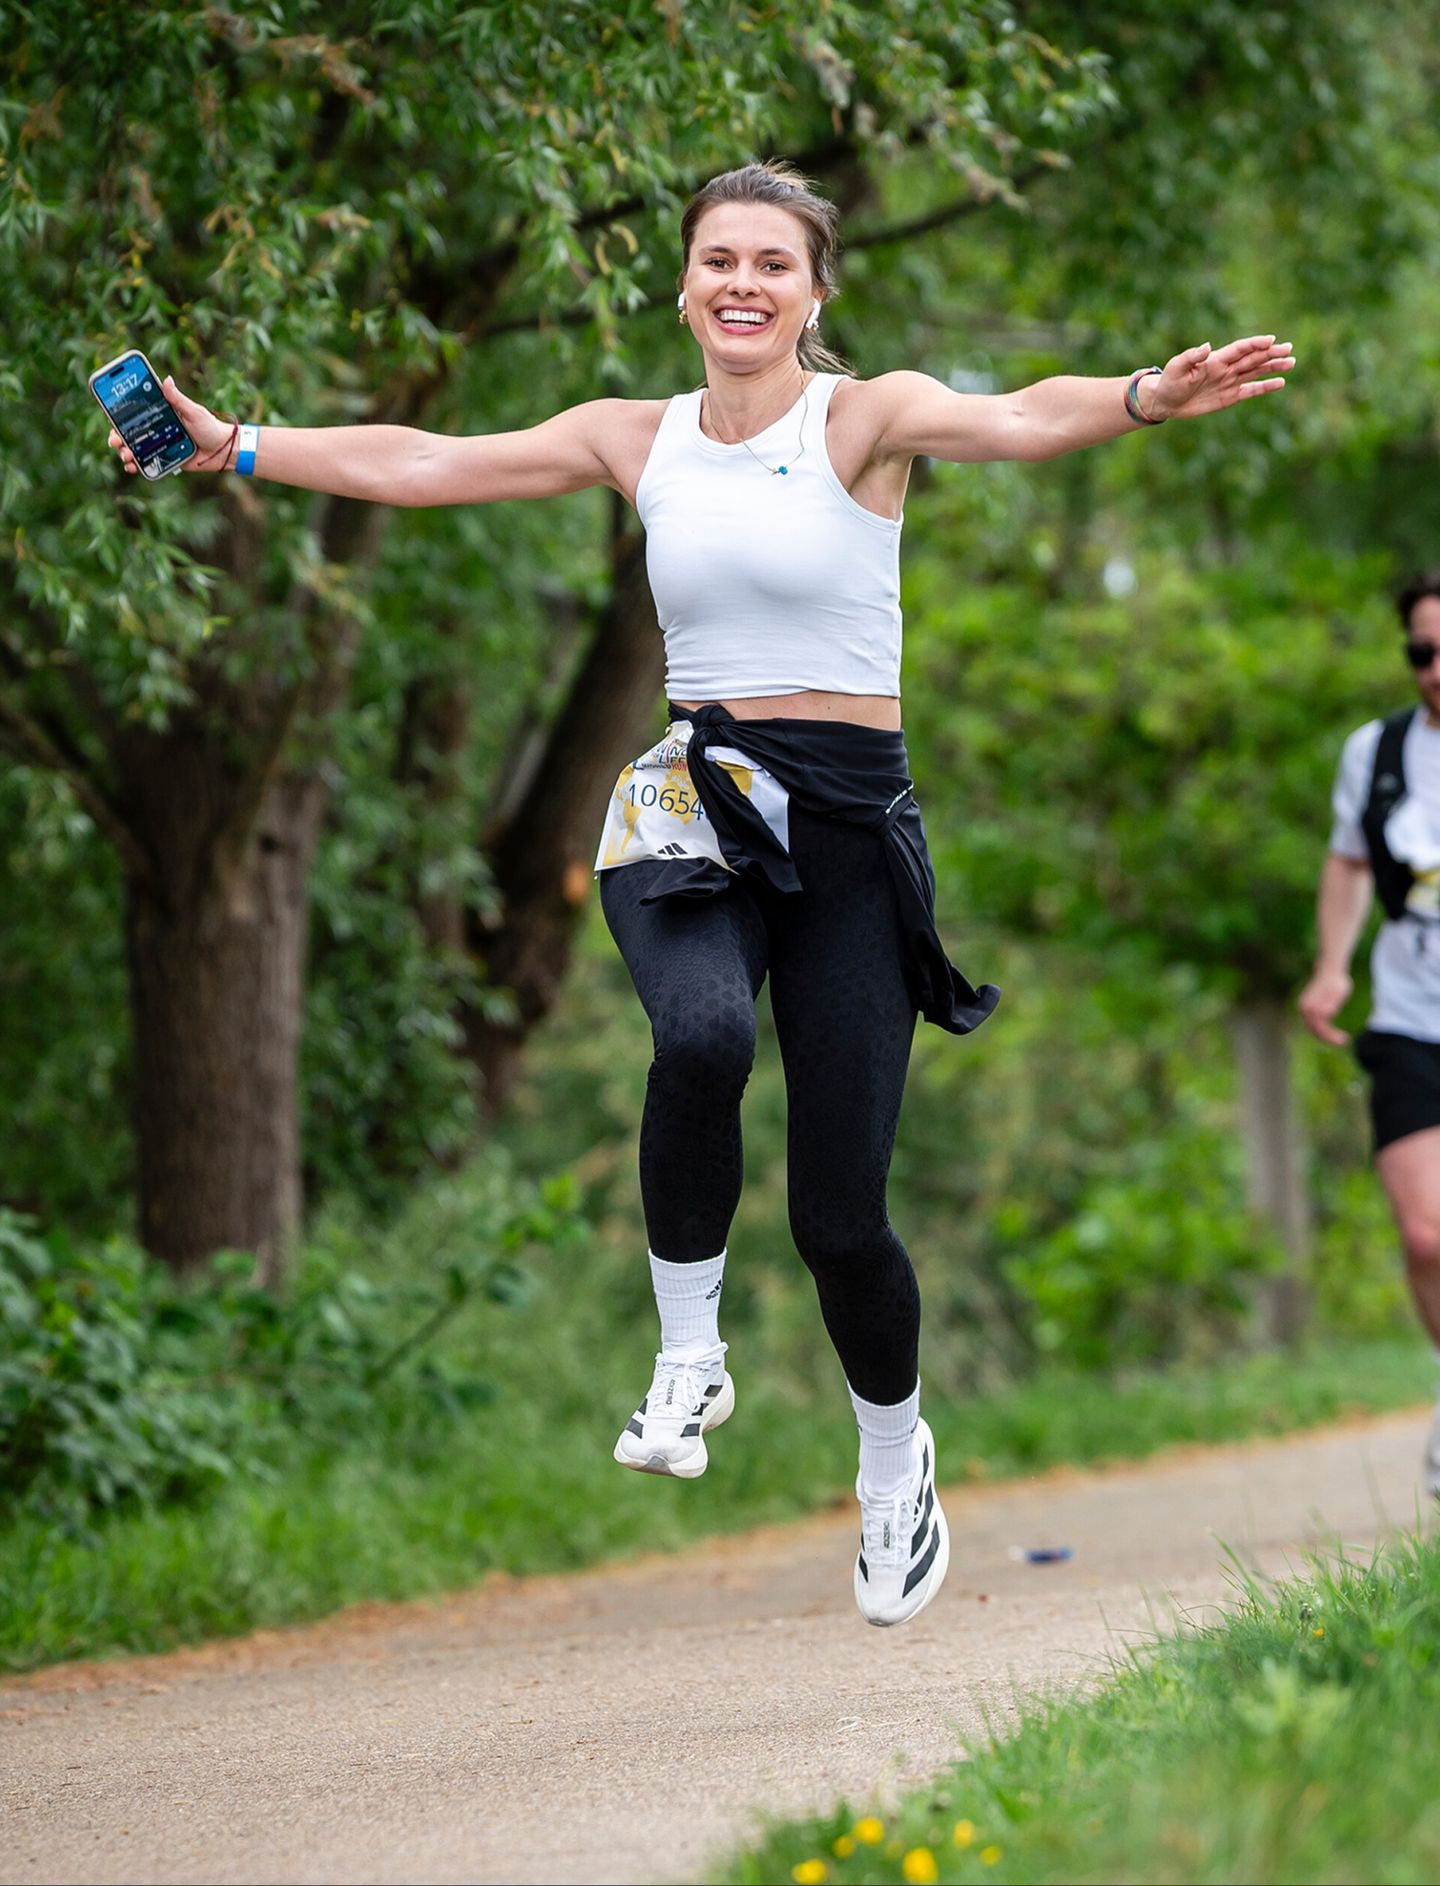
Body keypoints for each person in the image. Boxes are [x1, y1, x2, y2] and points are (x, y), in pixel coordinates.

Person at [104, 159, 1293, 1626]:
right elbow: (426, 460)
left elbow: (1019, 413)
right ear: (684, 283)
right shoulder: (633, 436)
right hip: (696, 803)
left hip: (851, 835)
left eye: (773, 265)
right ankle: (689, 1352)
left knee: (843, 1219)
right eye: (718, 259)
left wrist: (1140, 397)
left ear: (813, 291)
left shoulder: (864, 420)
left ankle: (891, 1465)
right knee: (703, 1038)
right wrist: (232, 446)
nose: (743, 283)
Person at [1299, 573, 1440, 1496]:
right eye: (1422, 654)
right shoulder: (1378, 752)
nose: (1437, 671)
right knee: (1427, 1238)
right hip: (1409, 1014)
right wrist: (1332, 966)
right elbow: (1349, 859)